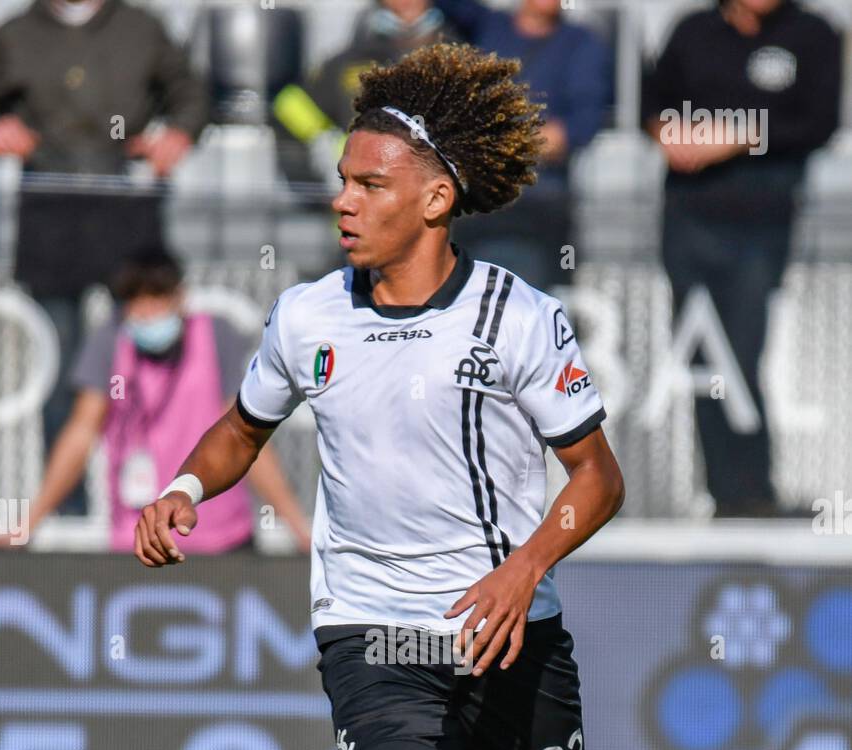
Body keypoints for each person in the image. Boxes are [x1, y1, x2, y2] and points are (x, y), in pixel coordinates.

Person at [134, 44, 625, 750]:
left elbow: (598, 475)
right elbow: (238, 430)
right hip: (371, 627)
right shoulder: (307, 315)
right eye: (339, 183)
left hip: (509, 631)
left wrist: (524, 566)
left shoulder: (514, 316)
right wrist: (187, 490)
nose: (341, 201)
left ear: (434, 197)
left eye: (365, 183)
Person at [0, 0, 208, 504]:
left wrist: (177, 134)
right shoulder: (14, 34)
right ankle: (66, 513)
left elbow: (190, 93)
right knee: (60, 374)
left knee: (144, 368)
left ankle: (157, 501)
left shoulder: (142, 28)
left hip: (126, 216)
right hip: (49, 221)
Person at [642, 0, 841, 517]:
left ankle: (753, 489)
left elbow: (817, 123)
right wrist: (669, 135)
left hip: (761, 221)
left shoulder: (813, 33)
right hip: (688, 216)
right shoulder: (692, 31)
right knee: (700, 356)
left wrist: (736, 138)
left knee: (741, 352)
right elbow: (654, 103)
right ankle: (724, 492)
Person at [20, 249, 310, 553]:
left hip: (222, 538)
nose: (146, 311)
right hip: (141, 539)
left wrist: (296, 526)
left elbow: (246, 436)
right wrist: (30, 524)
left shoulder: (214, 335)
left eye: (156, 298)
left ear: (179, 297)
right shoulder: (111, 342)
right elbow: (80, 435)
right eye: (136, 301)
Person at [433, 0, 613, 288]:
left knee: (524, 299)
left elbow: (574, 130)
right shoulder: (488, 26)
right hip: (475, 206)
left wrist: (491, 138)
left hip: (539, 205)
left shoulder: (581, 43)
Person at [272, 0, 457, 194]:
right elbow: (288, 118)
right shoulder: (347, 65)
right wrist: (314, 191)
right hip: (360, 209)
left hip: (446, 214)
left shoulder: (464, 62)